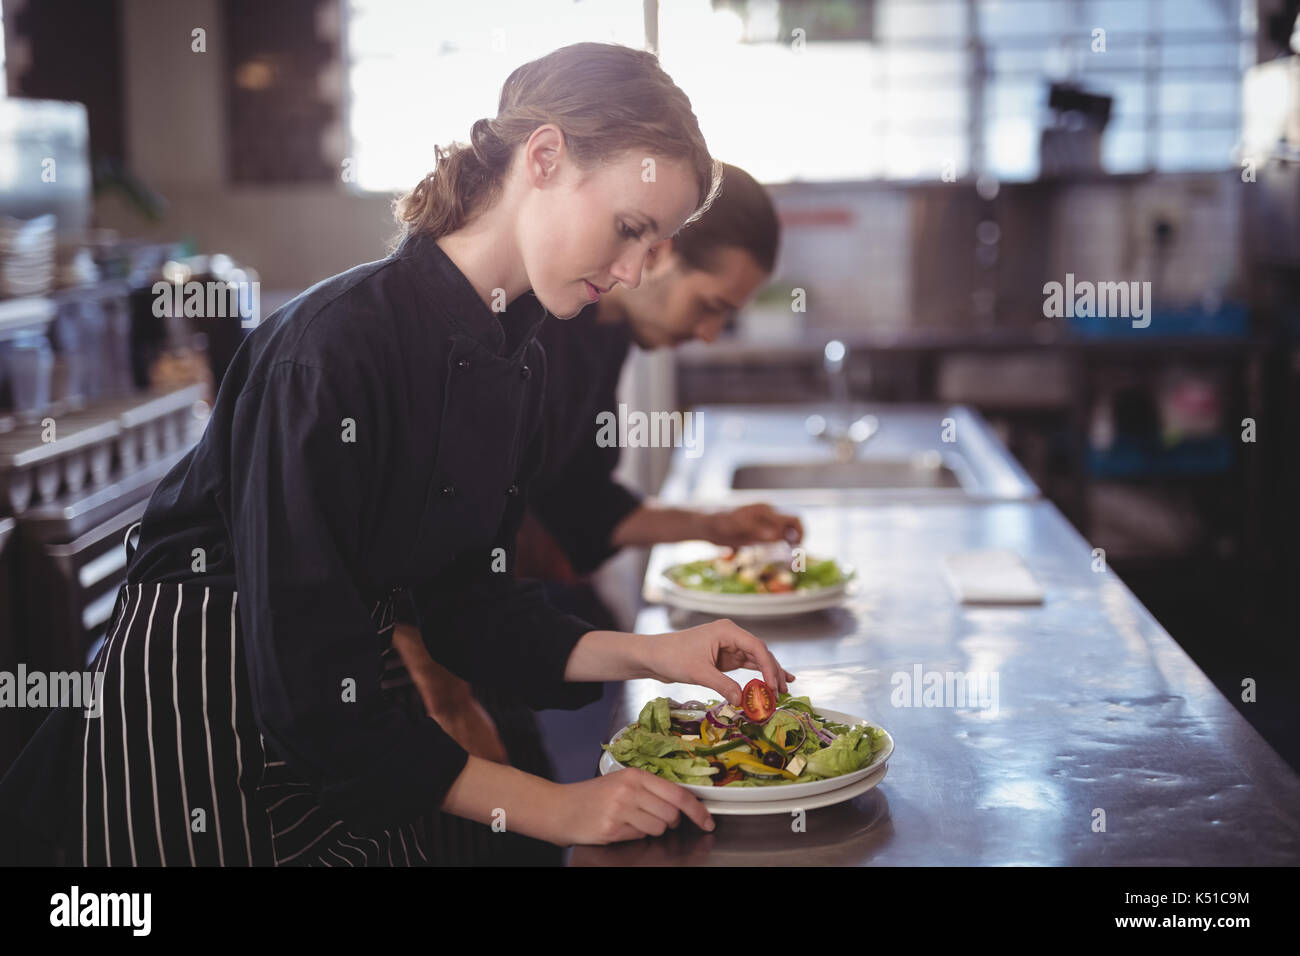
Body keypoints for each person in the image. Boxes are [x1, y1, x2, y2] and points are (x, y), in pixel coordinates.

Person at [0, 41, 794, 867]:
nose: (633, 271)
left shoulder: (519, 362)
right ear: (546, 157)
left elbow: (472, 609)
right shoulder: (331, 348)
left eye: (653, 244)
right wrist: (556, 808)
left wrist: (657, 655)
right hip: (200, 737)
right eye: (630, 231)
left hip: (342, 740)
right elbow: (307, 685)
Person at [387, 165, 803, 808]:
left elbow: (579, 501)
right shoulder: (520, 323)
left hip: (474, 619)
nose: (709, 334)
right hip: (399, 645)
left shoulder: (601, 334)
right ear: (662, 252)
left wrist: (713, 527)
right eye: (711, 306)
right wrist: (447, 698)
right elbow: (401, 538)